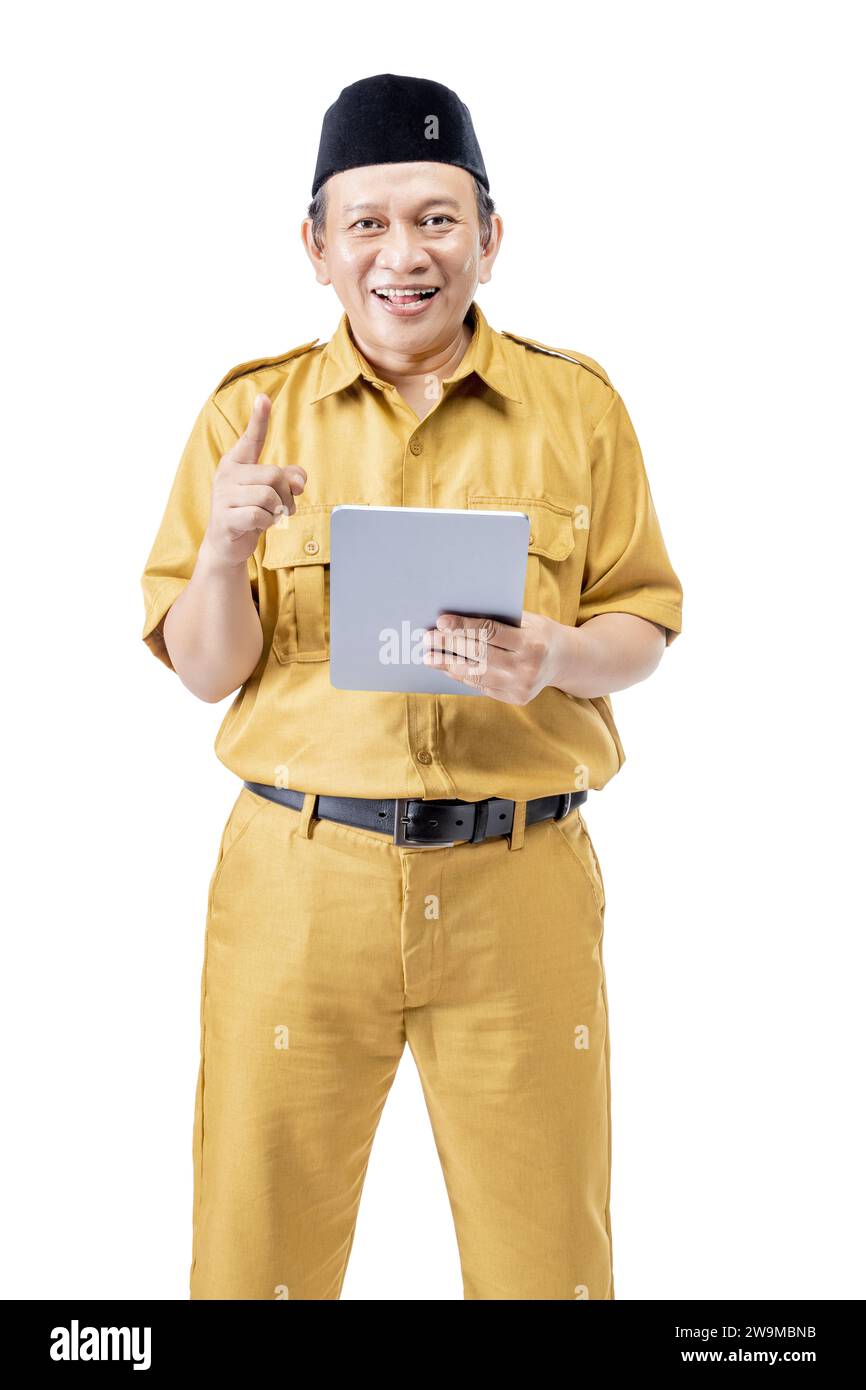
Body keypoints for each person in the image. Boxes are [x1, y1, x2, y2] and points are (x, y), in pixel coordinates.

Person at [140, 72, 683, 1301]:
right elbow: (205, 669)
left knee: (549, 1259)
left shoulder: (576, 407)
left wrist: (554, 653)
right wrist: (223, 548)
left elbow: (643, 619)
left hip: (520, 881)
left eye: (438, 218)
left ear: (489, 237)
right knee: (254, 1252)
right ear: (317, 246)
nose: (404, 253)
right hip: (299, 880)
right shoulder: (250, 412)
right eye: (368, 221)